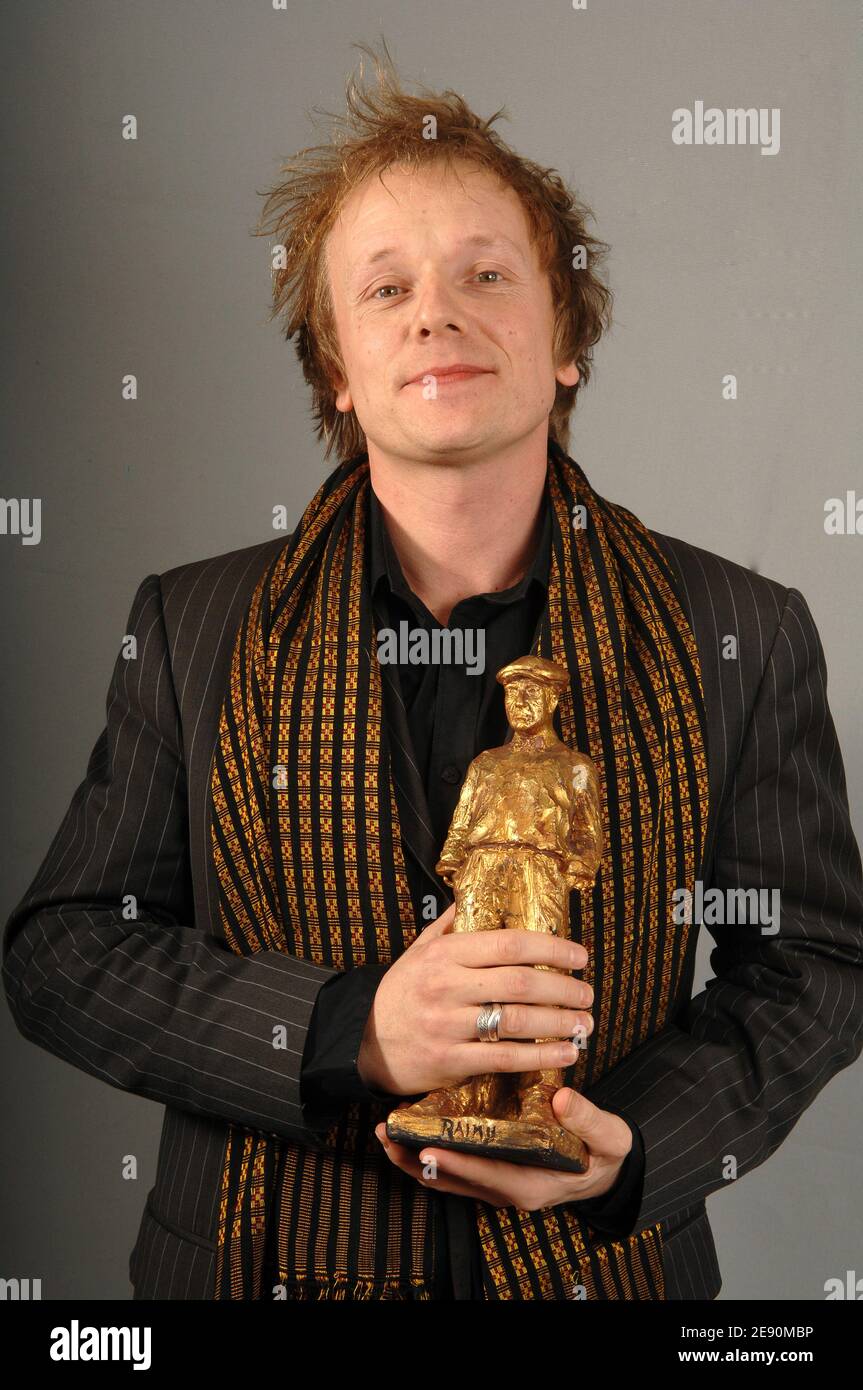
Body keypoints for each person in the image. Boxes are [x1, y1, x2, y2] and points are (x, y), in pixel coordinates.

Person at [4, 44, 862, 1302]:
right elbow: (65, 953)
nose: (434, 313)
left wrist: (629, 1154)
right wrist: (351, 1028)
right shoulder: (192, 625)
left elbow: (816, 962)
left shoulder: (739, 625)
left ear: (564, 340)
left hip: (600, 1279)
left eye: (486, 274)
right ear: (338, 375)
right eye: (385, 287)